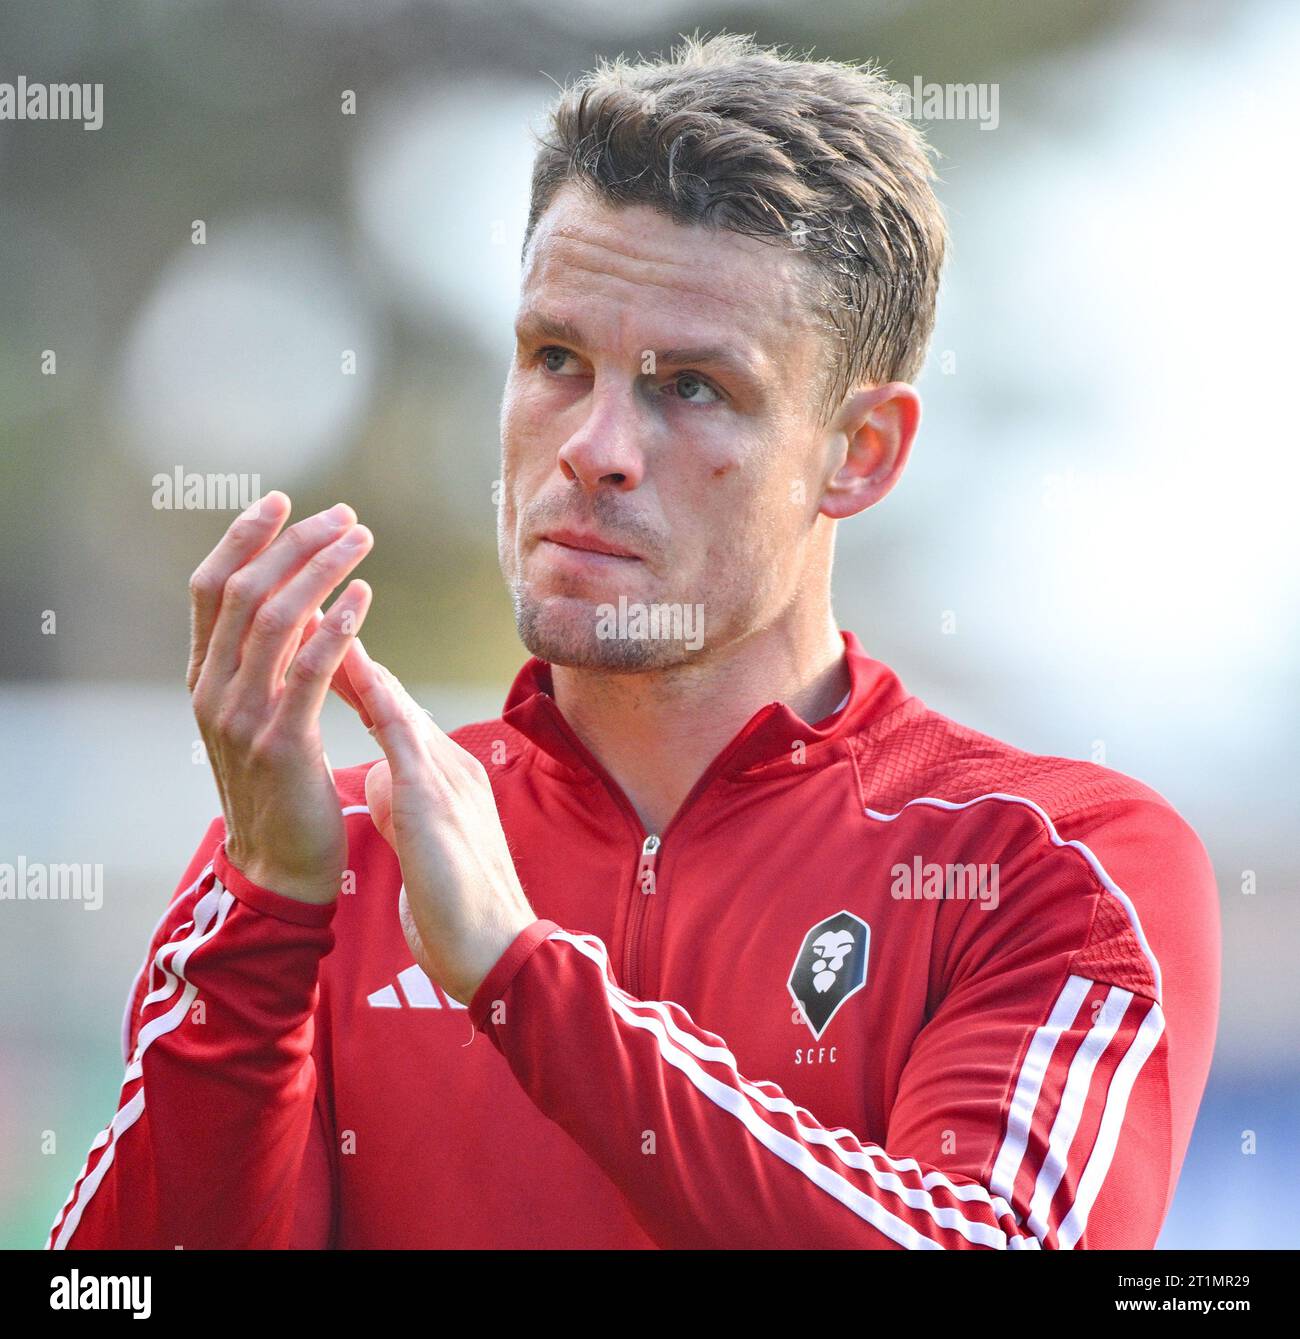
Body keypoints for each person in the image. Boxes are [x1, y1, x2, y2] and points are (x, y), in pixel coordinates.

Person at [47, 32, 1218, 1250]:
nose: (593, 445)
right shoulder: (324, 852)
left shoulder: (1051, 862)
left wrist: (519, 978)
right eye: (556, 359)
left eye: (692, 386)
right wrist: (267, 916)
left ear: (859, 453)